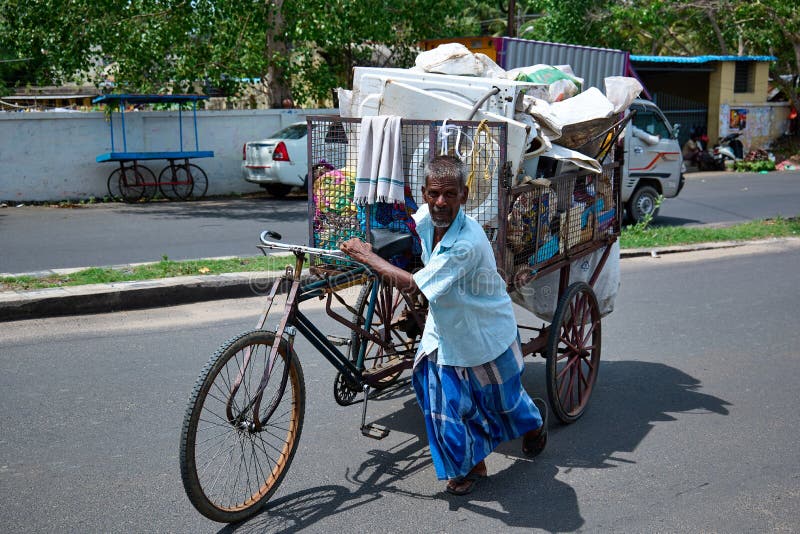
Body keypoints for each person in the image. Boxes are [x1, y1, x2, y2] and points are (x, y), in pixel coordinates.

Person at [340, 155, 547, 496]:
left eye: (450, 194)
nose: (441, 202)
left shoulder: (466, 242)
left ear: (463, 196)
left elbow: (415, 286)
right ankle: (467, 464)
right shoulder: (425, 219)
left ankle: (534, 427)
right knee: (442, 402)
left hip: (484, 332)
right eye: (434, 194)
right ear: (424, 193)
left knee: (504, 402)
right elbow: (403, 233)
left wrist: (366, 256)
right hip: (444, 329)